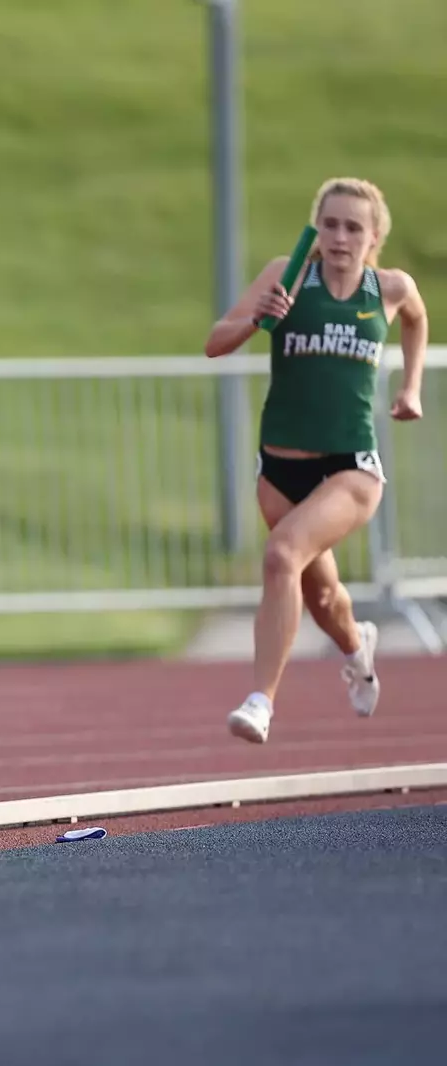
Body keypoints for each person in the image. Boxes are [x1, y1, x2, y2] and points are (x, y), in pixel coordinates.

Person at [204, 176, 427, 744]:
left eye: (353, 227)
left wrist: (411, 388)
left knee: (281, 555)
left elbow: (416, 320)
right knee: (319, 592)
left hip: (350, 468)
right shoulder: (289, 274)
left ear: (373, 235)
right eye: (329, 224)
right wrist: (259, 318)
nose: (339, 236)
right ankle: (357, 647)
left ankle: (260, 702)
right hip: (280, 467)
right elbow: (215, 341)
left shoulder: (390, 286)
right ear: (316, 228)